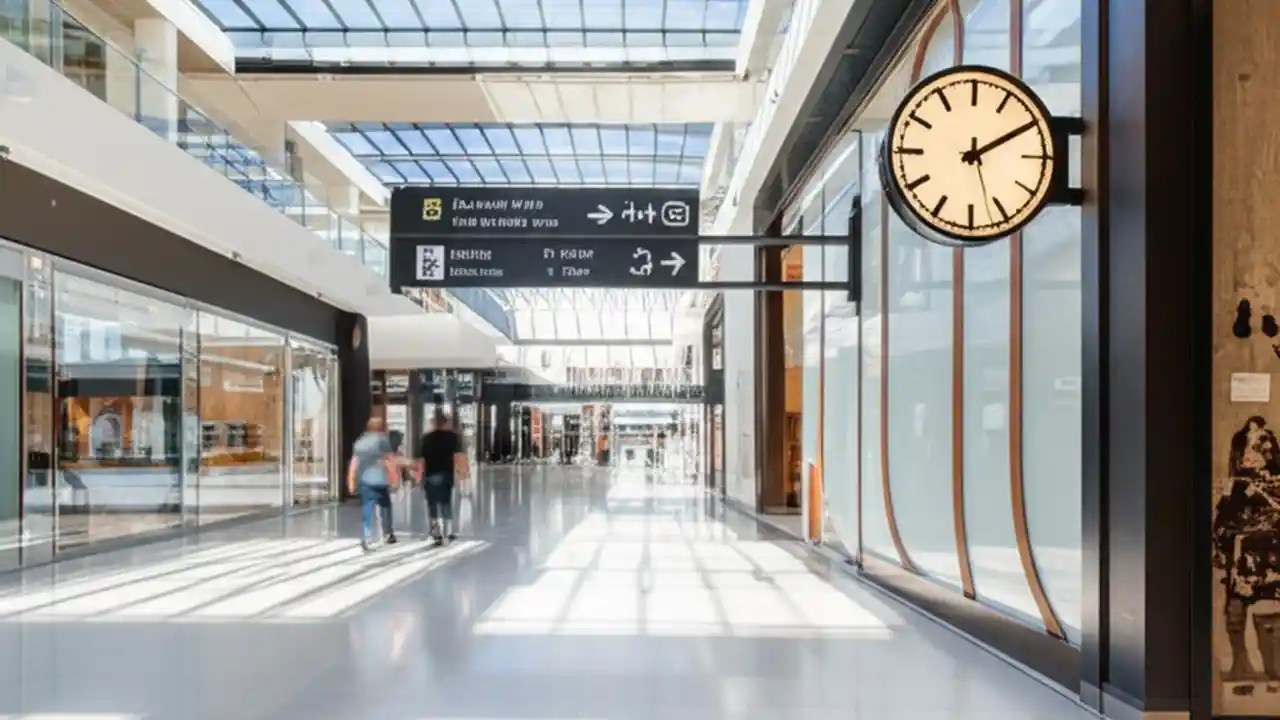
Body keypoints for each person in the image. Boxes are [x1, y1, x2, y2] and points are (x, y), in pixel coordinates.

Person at [417, 410, 468, 545]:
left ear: (434, 423)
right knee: (446, 502)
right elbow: (458, 456)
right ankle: (448, 532)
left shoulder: (426, 438)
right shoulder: (453, 437)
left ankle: (435, 530)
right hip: (446, 474)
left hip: (430, 474)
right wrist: (463, 474)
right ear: (447, 423)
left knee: (432, 503)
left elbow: (422, 460)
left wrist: (419, 476)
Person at [347, 417, 398, 551]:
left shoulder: (360, 442)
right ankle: (388, 533)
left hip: (365, 481)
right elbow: (389, 461)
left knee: (367, 508)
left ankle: (367, 536)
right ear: (381, 428)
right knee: (385, 506)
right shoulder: (383, 441)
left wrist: (351, 482)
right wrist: (394, 479)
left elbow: (354, 464)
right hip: (381, 480)